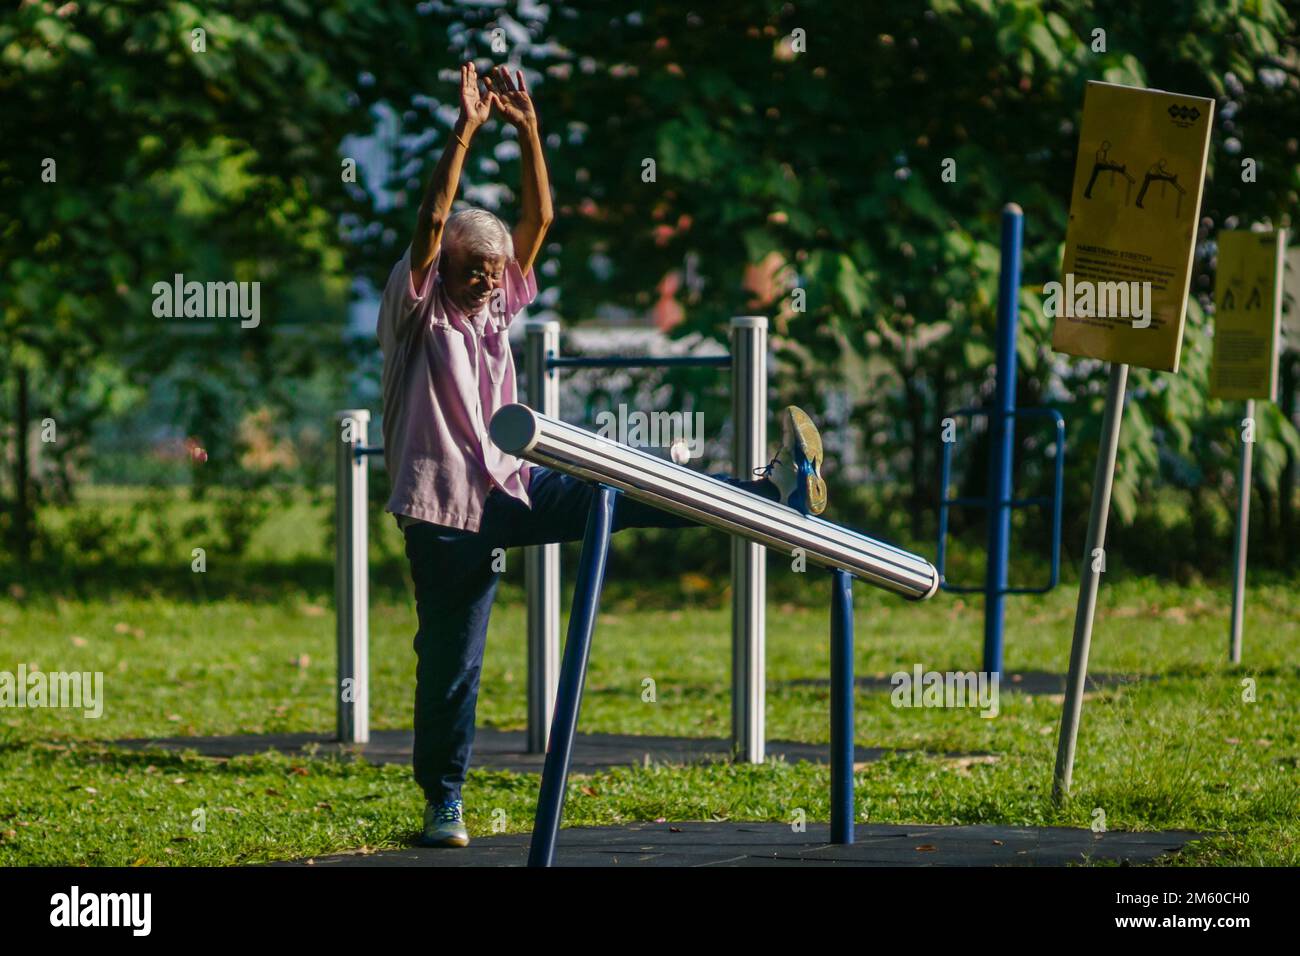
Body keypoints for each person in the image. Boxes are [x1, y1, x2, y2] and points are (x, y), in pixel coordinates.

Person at [377, 62, 828, 848]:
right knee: (453, 662)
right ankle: (443, 803)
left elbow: (541, 220)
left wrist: (530, 132)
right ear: (444, 270)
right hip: (442, 510)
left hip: (511, 484)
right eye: (475, 271)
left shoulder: (491, 309)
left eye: (495, 272)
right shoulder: (416, 307)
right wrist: (467, 129)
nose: (491, 282)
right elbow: (430, 216)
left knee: (623, 486)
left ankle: (770, 489)